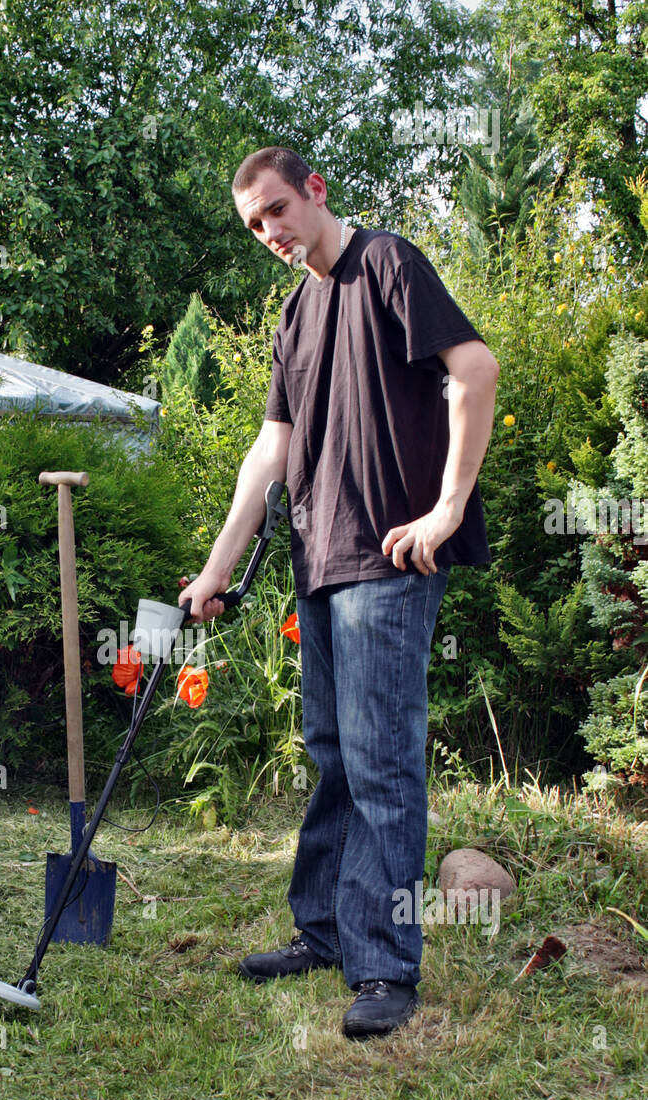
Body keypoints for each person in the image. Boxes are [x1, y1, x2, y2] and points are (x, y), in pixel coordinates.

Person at [179, 146, 498, 1039]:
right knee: (331, 753)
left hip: (389, 562)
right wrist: (214, 567)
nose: (271, 231)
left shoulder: (384, 262)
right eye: (255, 224)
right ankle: (321, 931)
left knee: (382, 764)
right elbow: (269, 450)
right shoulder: (295, 310)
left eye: (278, 209)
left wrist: (443, 510)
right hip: (315, 560)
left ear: (314, 191)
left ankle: (385, 965)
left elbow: (473, 371)